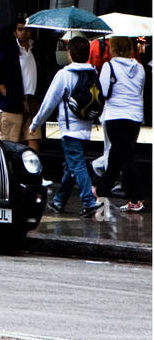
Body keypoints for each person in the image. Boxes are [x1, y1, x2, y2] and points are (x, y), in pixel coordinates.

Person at [30, 35, 102, 217]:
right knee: (70, 167)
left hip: (70, 131)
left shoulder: (64, 75)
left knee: (77, 166)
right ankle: (59, 201)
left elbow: (49, 103)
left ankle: (88, 201)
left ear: (69, 53)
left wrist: (36, 123)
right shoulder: (92, 72)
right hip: (85, 129)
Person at [95, 36, 146, 213]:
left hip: (115, 115)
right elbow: (140, 90)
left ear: (114, 48)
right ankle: (101, 189)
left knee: (125, 157)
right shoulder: (139, 68)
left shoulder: (109, 66)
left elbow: (104, 92)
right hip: (135, 117)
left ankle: (136, 197)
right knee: (117, 157)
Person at [0, 17, 40, 154]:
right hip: (12, 104)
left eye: (27, 29)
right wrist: (7, 94)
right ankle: (11, 173)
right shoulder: (8, 50)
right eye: (20, 29)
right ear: (14, 32)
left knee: (33, 137)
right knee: (11, 143)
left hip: (31, 102)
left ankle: (34, 171)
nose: (24, 32)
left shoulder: (34, 50)